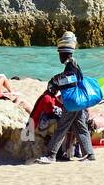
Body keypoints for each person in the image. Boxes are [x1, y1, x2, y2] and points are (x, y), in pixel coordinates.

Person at [35, 31, 97, 164]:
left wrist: (54, 81)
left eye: (60, 53)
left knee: (62, 127)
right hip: (78, 102)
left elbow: (71, 81)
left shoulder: (70, 65)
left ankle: (51, 155)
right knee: (81, 127)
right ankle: (90, 155)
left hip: (72, 102)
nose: (59, 56)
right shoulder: (74, 64)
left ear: (64, 53)